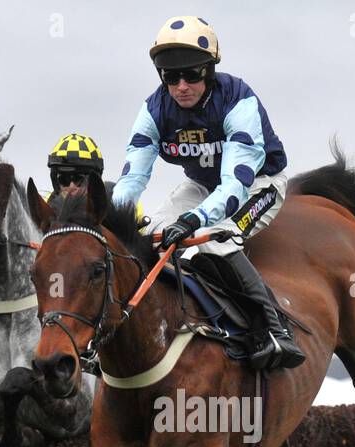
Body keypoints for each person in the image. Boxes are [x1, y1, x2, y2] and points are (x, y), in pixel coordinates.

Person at [110, 16, 303, 370]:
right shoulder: (153, 110)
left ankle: (274, 329)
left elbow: (234, 186)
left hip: (259, 185)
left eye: (192, 75)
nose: (182, 86)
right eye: (171, 77)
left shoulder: (238, 101)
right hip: (201, 185)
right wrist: (107, 219)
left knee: (212, 238)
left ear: (210, 70)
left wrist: (194, 219)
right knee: (148, 236)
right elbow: (132, 179)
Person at [44, 133, 145, 226]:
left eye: (79, 179)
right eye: (63, 179)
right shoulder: (46, 205)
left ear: (94, 180)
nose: (71, 186)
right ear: (55, 182)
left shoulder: (121, 200)